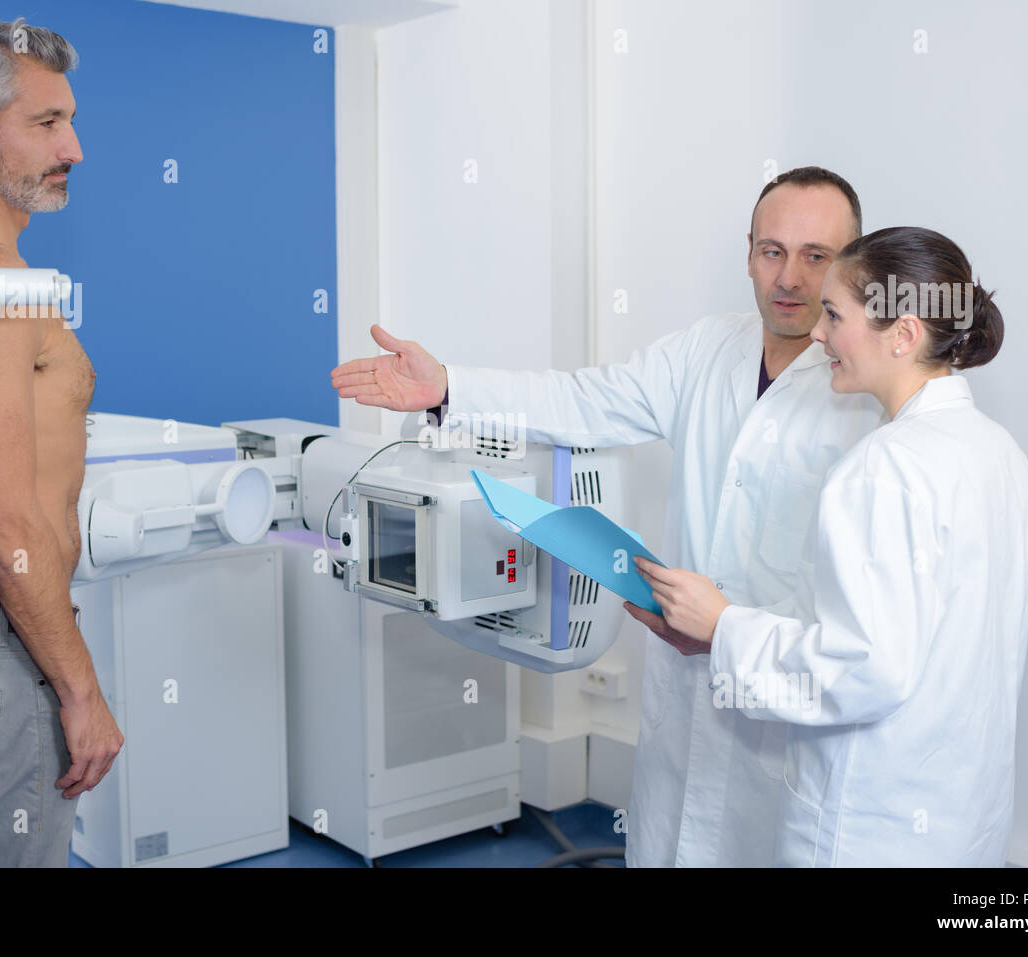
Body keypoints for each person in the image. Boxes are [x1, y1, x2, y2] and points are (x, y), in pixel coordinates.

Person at [331, 167, 884, 866]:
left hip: (782, 699)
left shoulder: (865, 391)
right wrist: (451, 387)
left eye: (818, 256)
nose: (792, 278)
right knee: (669, 840)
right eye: (773, 250)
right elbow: (583, 400)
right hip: (686, 684)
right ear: (748, 253)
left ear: (854, 266)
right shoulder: (707, 350)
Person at [635, 226, 1028, 865]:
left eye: (835, 314)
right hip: (958, 811)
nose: (819, 335)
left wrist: (724, 626)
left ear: (902, 334)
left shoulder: (884, 466)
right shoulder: (998, 454)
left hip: (868, 824)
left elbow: (862, 668)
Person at [0, 18, 123, 867]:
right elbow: (4, 519)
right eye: (48, 123)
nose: (76, 148)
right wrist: (81, 689)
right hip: (7, 650)